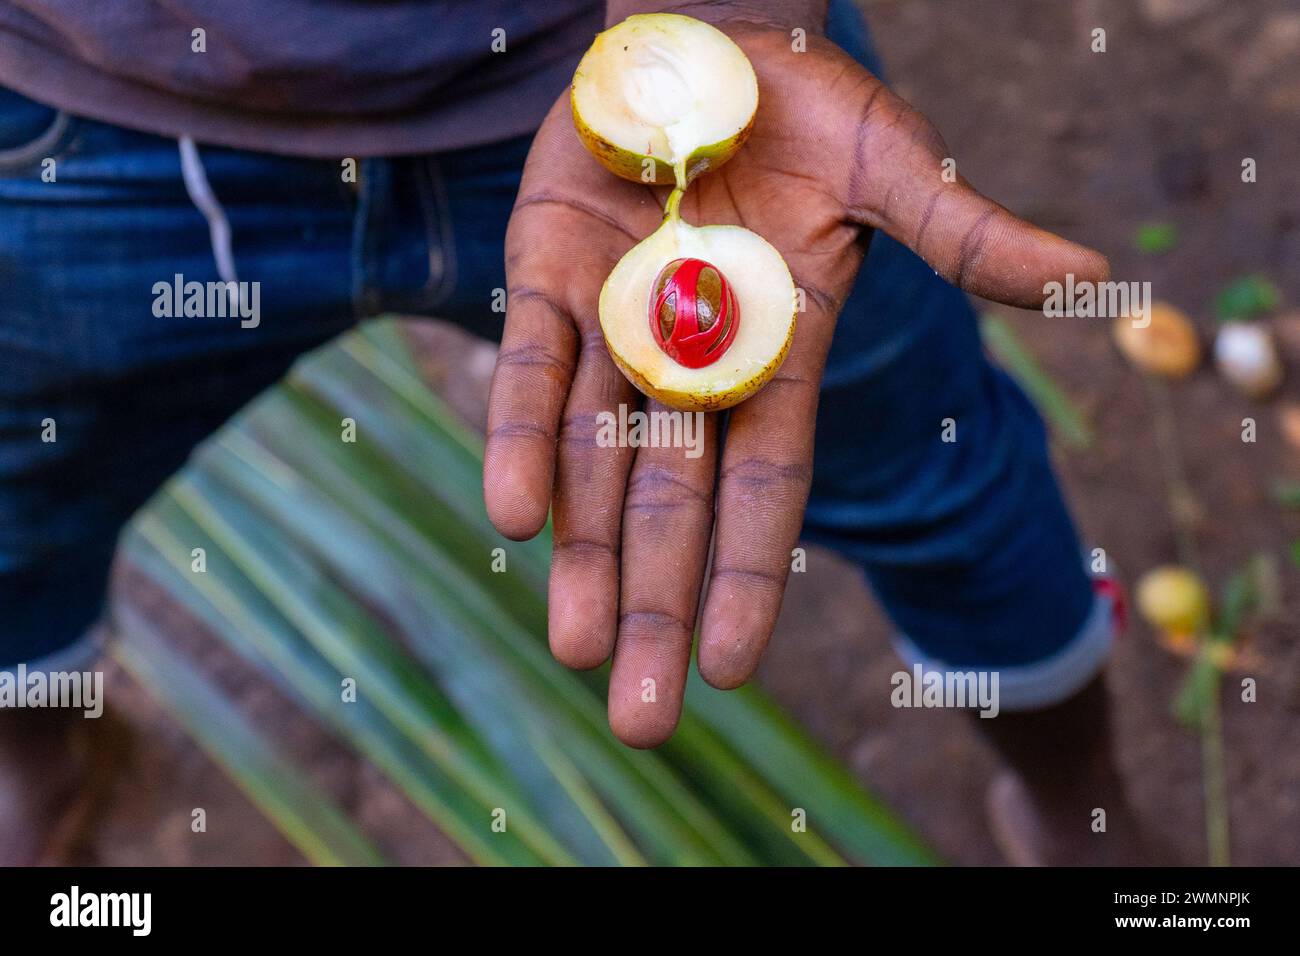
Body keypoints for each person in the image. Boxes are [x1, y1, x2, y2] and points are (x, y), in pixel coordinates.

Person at [0, 0, 1146, 865]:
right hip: (83, 118)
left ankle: (1074, 793)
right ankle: (36, 767)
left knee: (934, 476)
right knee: (12, 516)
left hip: (638, 66)